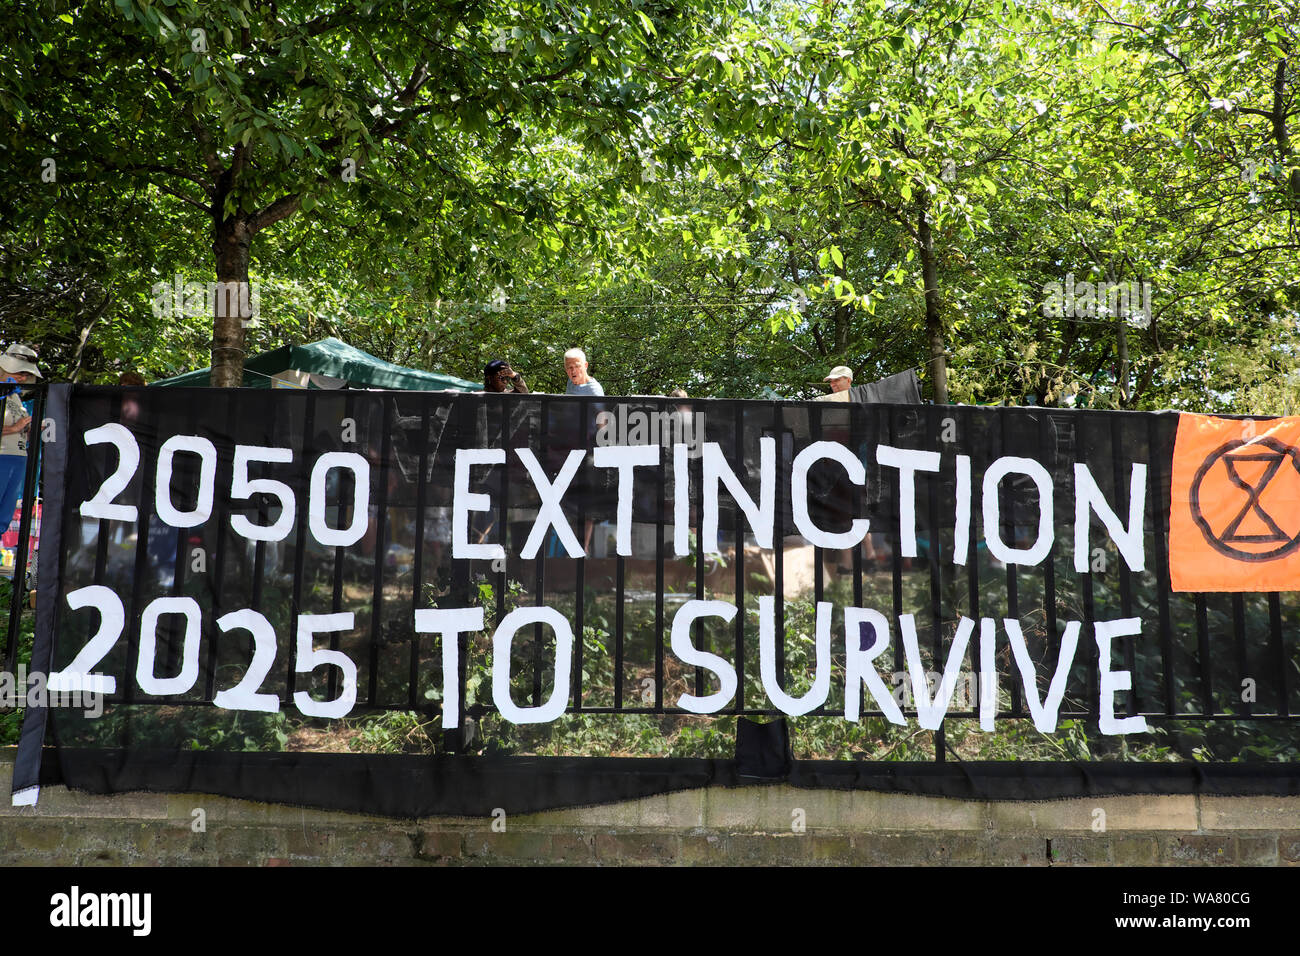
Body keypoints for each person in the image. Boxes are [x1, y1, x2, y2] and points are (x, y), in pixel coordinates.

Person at [0, 345, 41, 535]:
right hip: (3, 458)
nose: (24, 377)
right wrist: (15, 428)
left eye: (26, 374)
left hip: (17, 458)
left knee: (3, 518)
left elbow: (20, 428)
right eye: (21, 372)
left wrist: (29, 429)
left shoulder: (14, 394)